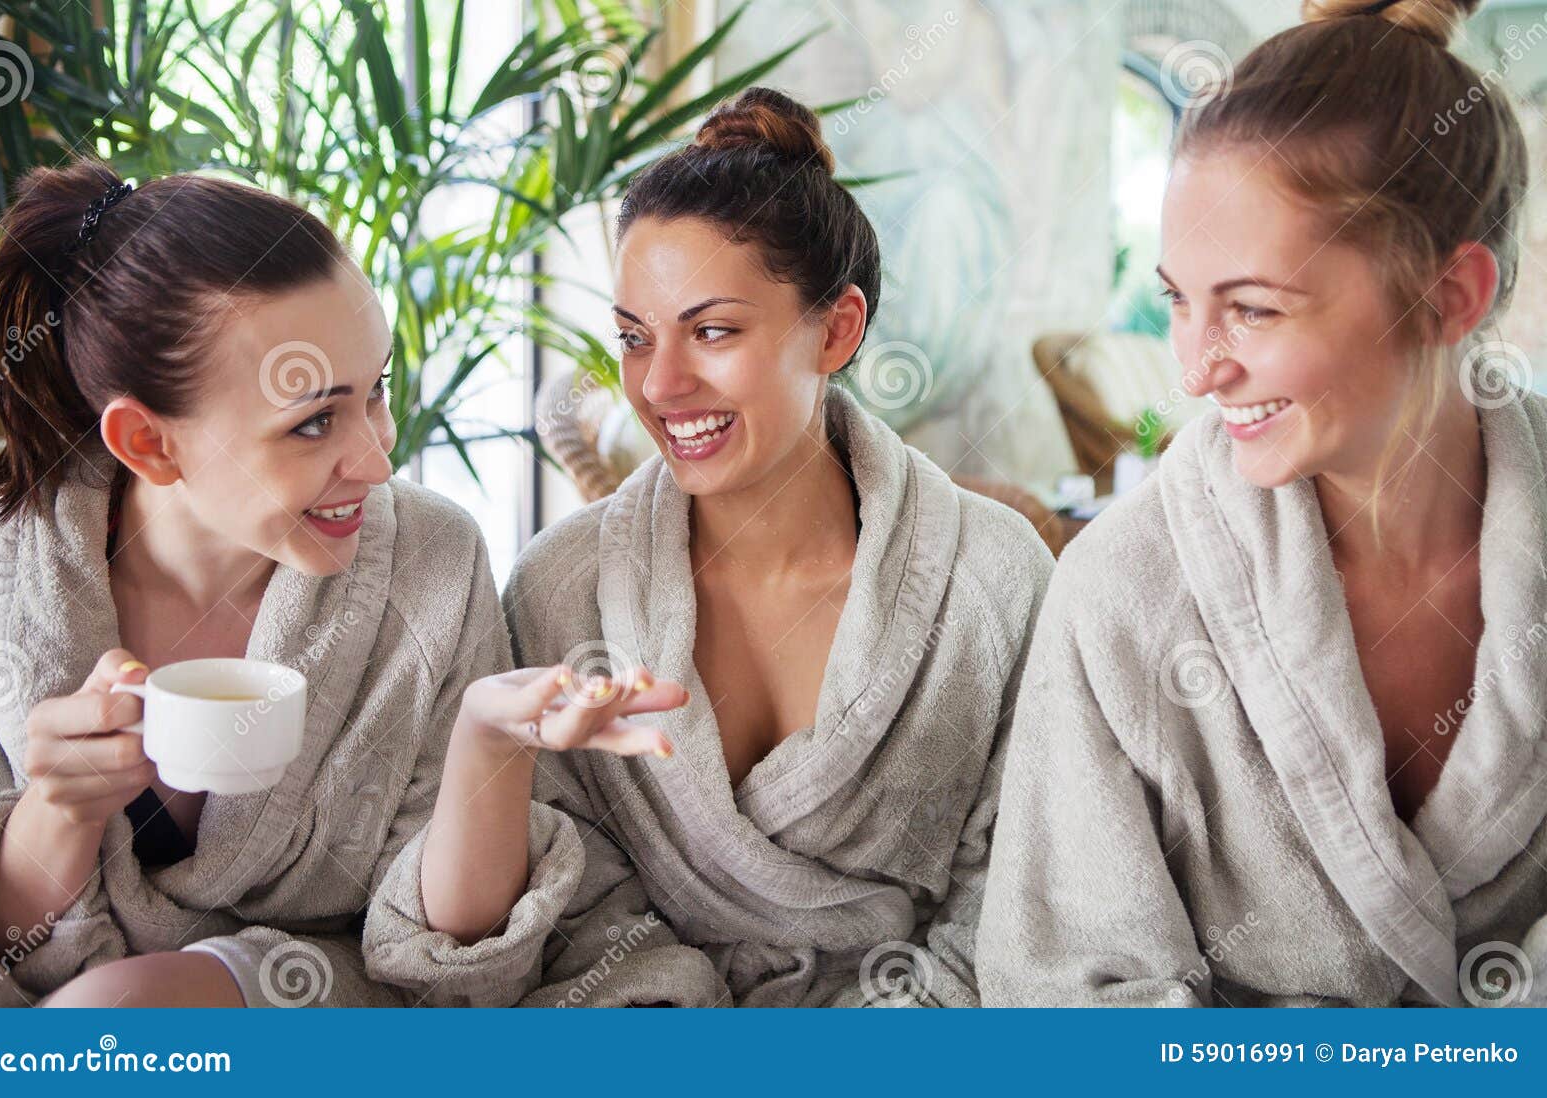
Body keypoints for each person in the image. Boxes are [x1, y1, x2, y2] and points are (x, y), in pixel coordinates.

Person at [364, 88, 1054, 1007]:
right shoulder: (563, 588)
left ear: (837, 330)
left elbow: (1022, 903)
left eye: (713, 330)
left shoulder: (991, 579)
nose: (660, 383)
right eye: (634, 339)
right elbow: (559, 896)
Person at [977, 0, 1547, 1007]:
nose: (1195, 372)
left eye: (1250, 308)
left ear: (1450, 295)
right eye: (1177, 301)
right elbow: (1064, 996)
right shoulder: (1120, 591)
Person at [0, 163, 510, 1007]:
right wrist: (58, 810)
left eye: (377, 391)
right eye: (314, 421)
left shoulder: (434, 564)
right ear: (147, 442)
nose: (379, 458)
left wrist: (494, 748)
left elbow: (450, 957)